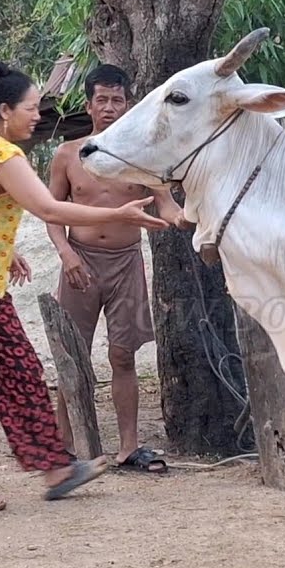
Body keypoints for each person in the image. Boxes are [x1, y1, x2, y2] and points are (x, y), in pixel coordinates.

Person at [0, 59, 171, 514]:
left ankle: (57, 468)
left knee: (21, 373)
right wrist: (120, 214)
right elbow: (50, 210)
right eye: (31, 108)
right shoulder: (4, 155)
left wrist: (4, 249)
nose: (38, 115)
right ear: (6, 110)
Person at [46, 64, 187, 473]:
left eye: (117, 100)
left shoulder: (143, 156)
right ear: (89, 106)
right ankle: (64, 446)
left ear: (129, 105)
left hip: (127, 264)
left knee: (123, 356)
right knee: (73, 356)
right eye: (102, 100)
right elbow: (51, 214)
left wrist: (186, 218)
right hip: (81, 264)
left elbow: (167, 205)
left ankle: (129, 447)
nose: (109, 108)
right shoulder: (68, 155)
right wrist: (67, 256)